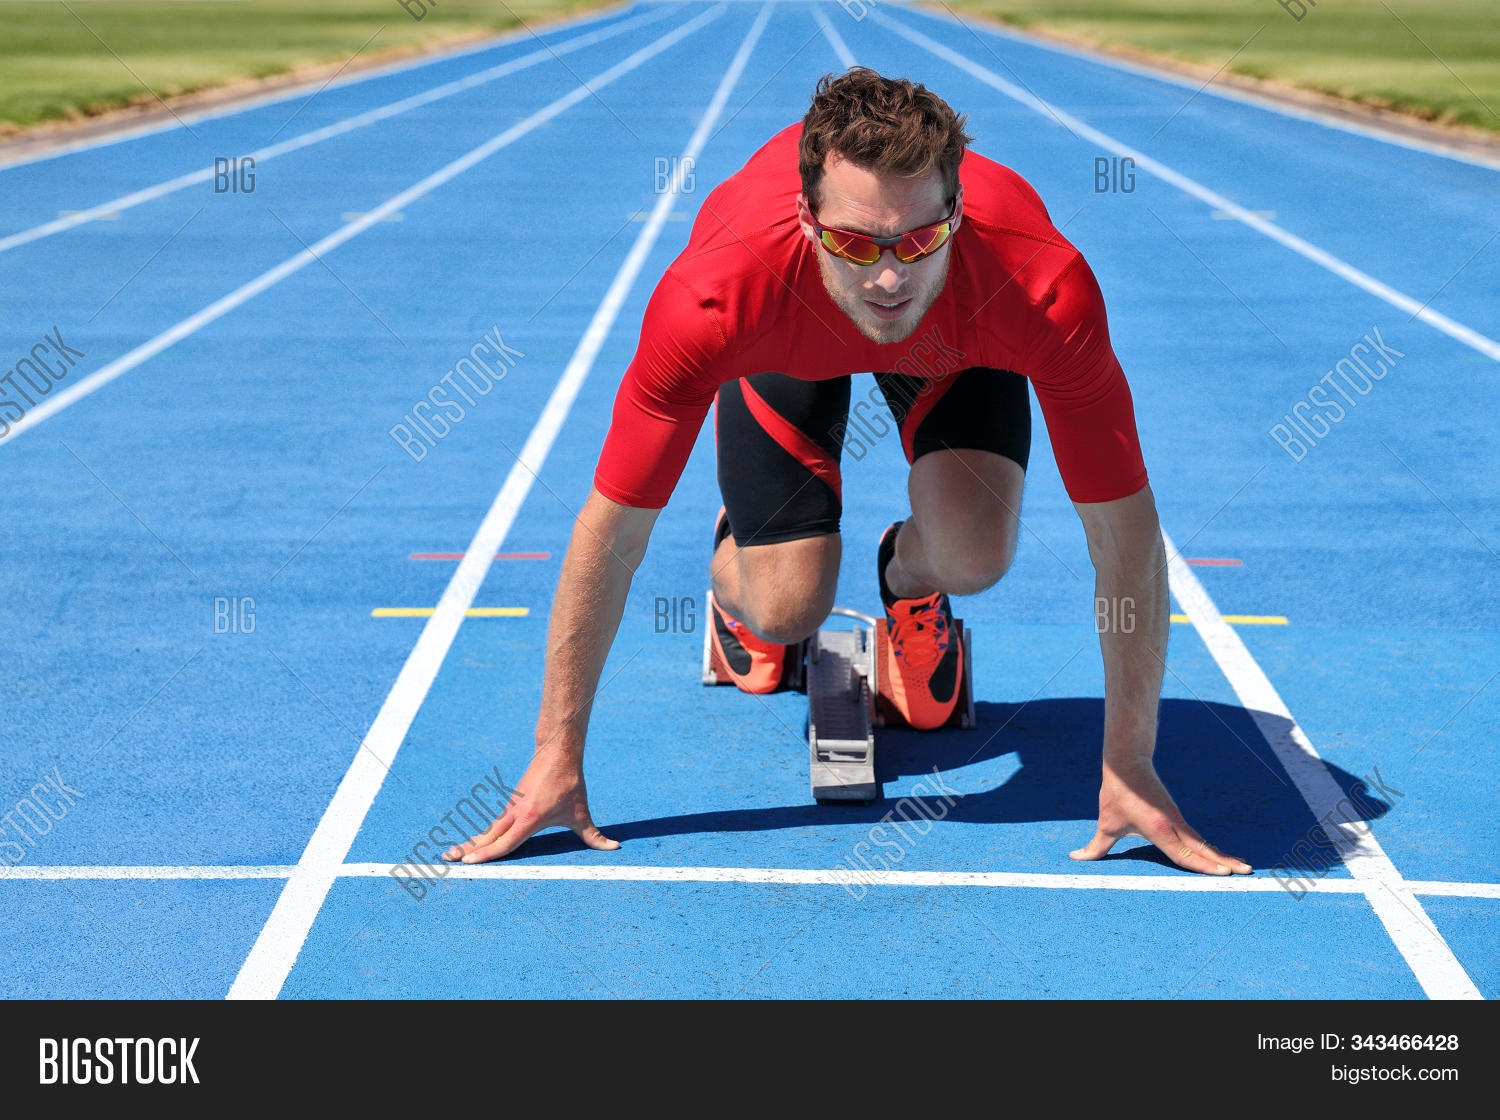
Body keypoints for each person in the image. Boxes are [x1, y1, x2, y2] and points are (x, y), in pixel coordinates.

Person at [444, 67, 1252, 876]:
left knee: (977, 559)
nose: (889, 276)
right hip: (789, 334)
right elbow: (612, 532)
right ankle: (745, 557)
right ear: (806, 218)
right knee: (788, 606)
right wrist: (556, 756)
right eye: (858, 244)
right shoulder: (717, 297)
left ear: (956, 212)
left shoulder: (1040, 288)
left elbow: (1126, 538)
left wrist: (1130, 762)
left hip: (958, 342)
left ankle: (906, 581)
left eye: (918, 239)